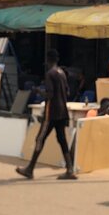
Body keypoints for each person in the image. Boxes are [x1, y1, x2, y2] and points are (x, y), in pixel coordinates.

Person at [16, 49, 77, 181]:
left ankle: (30, 169)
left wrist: (39, 91)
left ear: (48, 60)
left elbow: (50, 95)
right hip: (63, 111)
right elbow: (67, 92)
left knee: (40, 138)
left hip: (52, 112)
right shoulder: (62, 73)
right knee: (62, 139)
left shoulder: (50, 74)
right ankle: (70, 169)